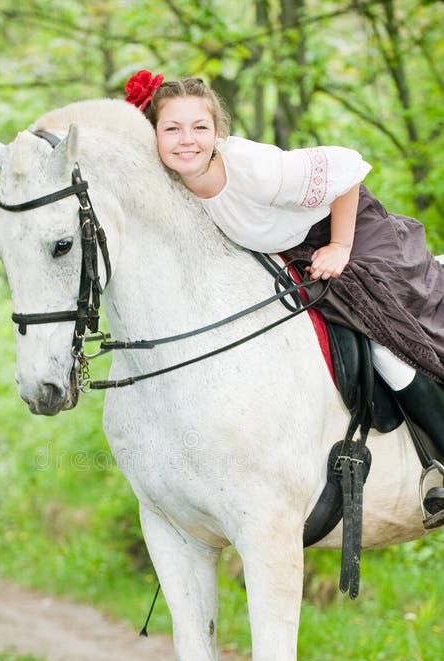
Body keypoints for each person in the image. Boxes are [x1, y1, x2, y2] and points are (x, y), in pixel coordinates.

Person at [124, 70, 444, 525]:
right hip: (294, 248)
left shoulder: (254, 170)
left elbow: (347, 169)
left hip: (347, 229)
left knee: (383, 335)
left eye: (199, 127)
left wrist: (340, 246)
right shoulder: (174, 187)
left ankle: (439, 462)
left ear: (217, 131)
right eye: (172, 128)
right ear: (153, 134)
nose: (186, 140)